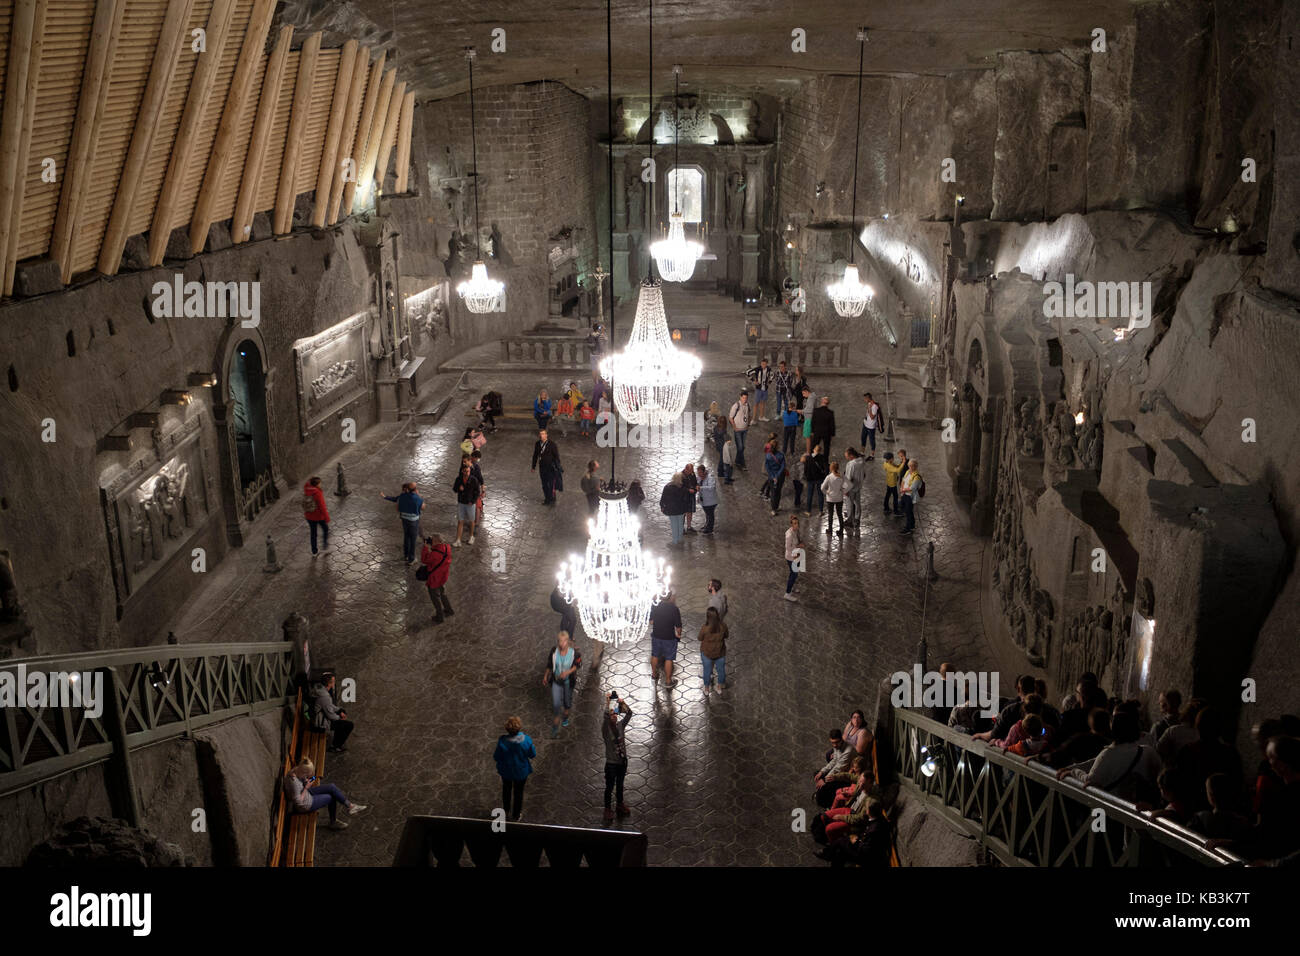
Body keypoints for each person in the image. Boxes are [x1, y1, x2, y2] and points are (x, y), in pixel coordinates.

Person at [1058, 710, 1162, 803]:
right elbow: (1160, 775)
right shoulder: (1148, 752)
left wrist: (1073, 771)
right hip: (1142, 810)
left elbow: (1090, 780)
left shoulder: (1108, 754)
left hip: (1115, 810)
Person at [284, 758, 365, 830]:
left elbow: (302, 780)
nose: (308, 776)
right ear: (304, 772)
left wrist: (307, 781)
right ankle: (333, 822)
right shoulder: (294, 783)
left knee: (331, 787)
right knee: (330, 798)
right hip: (306, 804)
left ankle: (350, 806)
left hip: (306, 793)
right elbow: (298, 802)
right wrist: (306, 788)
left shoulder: (297, 770)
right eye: (308, 774)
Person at [493, 716, 536, 822]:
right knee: (519, 792)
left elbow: (496, 757)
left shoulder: (502, 741)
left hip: (506, 771)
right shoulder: (526, 740)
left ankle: (506, 811)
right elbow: (532, 754)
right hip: (521, 772)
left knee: (506, 790)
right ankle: (516, 815)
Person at [542, 630, 582, 738]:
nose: (562, 644)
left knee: (567, 704)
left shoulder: (574, 653)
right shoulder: (554, 651)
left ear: (568, 641)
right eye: (560, 641)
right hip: (556, 682)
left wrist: (567, 672)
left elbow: (577, 665)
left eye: (564, 641)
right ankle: (555, 727)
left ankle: (565, 718)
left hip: (568, 683)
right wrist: (546, 676)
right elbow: (549, 665)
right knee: (556, 705)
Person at [602, 694, 633, 820]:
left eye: (615, 714)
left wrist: (622, 703)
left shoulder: (620, 726)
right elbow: (605, 716)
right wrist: (608, 702)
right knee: (609, 787)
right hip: (611, 764)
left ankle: (619, 805)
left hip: (622, 761)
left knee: (620, 785)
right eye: (612, 715)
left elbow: (629, 714)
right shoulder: (605, 729)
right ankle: (607, 809)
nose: (614, 716)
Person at [310, 673, 354, 754]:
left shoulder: (320, 690)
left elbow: (329, 706)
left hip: (320, 718)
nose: (334, 683)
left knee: (341, 721)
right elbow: (330, 715)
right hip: (320, 723)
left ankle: (336, 744)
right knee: (348, 725)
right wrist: (340, 717)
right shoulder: (324, 696)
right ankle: (335, 746)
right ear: (329, 684)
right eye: (333, 681)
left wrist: (339, 710)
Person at [380, 481, 424, 563]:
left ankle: (406, 555)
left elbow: (395, 499)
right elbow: (423, 507)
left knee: (406, 537)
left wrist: (384, 496)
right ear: (414, 490)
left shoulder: (402, 496)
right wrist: (419, 495)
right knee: (413, 539)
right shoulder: (417, 499)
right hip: (414, 521)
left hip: (404, 520)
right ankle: (411, 559)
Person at [649, 590, 683, 687]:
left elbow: (651, 622)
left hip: (656, 635)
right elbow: (678, 627)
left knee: (655, 655)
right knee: (669, 658)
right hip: (669, 638)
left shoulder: (655, 606)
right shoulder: (674, 609)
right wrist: (679, 635)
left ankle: (654, 674)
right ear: (670, 597)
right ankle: (668, 681)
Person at [814, 730, 856, 807]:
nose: (834, 745)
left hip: (846, 777)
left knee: (820, 798)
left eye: (836, 742)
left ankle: (828, 803)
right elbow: (834, 761)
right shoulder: (837, 746)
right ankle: (823, 791)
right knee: (817, 774)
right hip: (838, 773)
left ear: (841, 740)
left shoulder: (848, 751)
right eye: (832, 742)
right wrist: (822, 772)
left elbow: (838, 768)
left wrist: (824, 780)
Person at [420, 534, 453, 623]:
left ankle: (440, 617)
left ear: (437, 542)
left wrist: (426, 548)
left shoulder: (434, 554)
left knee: (435, 598)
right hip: (443, 576)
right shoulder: (447, 547)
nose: (431, 541)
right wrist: (432, 547)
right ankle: (449, 610)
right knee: (442, 593)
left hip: (434, 579)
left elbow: (424, 560)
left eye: (432, 540)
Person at [697, 605, 729, 695]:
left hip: (707, 653)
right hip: (720, 653)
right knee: (721, 670)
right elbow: (726, 635)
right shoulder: (723, 626)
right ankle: (719, 688)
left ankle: (706, 689)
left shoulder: (705, 628)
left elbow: (699, 638)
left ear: (708, 617)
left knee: (707, 671)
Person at [531, 428, 563, 505]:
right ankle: (547, 499)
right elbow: (535, 455)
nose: (542, 435)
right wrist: (533, 466)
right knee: (544, 484)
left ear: (546, 435)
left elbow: (556, 457)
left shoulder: (552, 444)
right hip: (542, 468)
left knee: (551, 484)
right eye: (541, 434)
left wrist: (557, 466)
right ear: (539, 435)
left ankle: (553, 498)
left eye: (544, 434)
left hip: (551, 468)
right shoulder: (537, 444)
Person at [302, 476, 330, 555]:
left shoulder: (306, 490)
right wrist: (327, 517)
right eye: (320, 483)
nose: (321, 485)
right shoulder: (317, 493)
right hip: (318, 516)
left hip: (309, 516)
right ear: (316, 484)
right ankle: (325, 547)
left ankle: (314, 551)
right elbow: (322, 506)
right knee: (325, 529)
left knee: (313, 534)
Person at [660, 473, 689, 546]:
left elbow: (663, 498)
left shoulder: (667, 487)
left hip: (671, 509)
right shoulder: (683, 488)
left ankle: (675, 541)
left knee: (674, 525)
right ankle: (680, 539)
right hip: (681, 509)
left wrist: (662, 506)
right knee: (680, 524)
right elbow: (686, 499)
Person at [729, 389, 753, 469]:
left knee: (742, 447)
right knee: (740, 447)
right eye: (743, 398)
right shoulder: (736, 405)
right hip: (738, 430)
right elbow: (730, 417)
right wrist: (735, 427)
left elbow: (750, 415)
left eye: (746, 398)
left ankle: (737, 461)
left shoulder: (748, 405)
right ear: (740, 397)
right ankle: (742, 464)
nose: (744, 400)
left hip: (745, 430)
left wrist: (748, 424)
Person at [822, 459, 846, 536]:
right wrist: (842, 491)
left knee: (830, 514)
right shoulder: (842, 476)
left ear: (831, 468)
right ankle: (841, 530)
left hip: (830, 499)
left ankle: (830, 529)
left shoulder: (829, 477)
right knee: (839, 514)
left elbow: (822, 488)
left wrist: (827, 492)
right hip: (839, 498)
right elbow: (847, 487)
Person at [899, 457, 923, 535]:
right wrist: (901, 487)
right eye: (909, 466)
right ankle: (912, 525)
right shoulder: (907, 472)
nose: (911, 467)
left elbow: (912, 488)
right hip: (905, 494)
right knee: (906, 510)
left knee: (909, 512)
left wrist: (903, 490)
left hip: (910, 496)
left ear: (916, 466)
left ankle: (908, 528)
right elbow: (903, 480)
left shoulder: (917, 477)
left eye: (912, 466)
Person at [842, 448, 864, 532]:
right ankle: (857, 519)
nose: (846, 458)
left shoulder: (851, 464)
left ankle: (850, 521)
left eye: (847, 456)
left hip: (850, 487)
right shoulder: (861, 461)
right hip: (858, 486)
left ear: (851, 456)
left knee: (849, 504)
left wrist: (845, 490)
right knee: (857, 503)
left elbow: (848, 478)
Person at [784, 515, 803, 602]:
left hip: (797, 556)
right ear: (791, 525)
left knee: (794, 573)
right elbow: (788, 547)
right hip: (791, 558)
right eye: (795, 524)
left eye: (797, 523)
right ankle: (787, 593)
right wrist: (798, 546)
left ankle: (792, 587)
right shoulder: (789, 534)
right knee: (793, 574)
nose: (797, 525)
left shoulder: (796, 531)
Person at [765, 443, 787, 516]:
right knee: (778, 491)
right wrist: (777, 476)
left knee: (773, 492)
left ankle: (773, 509)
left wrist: (773, 476)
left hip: (772, 477)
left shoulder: (768, 456)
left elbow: (767, 467)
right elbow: (783, 466)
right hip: (780, 477)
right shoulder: (781, 455)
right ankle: (776, 507)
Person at [804, 446, 826, 516]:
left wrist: (807, 478)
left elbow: (806, 469)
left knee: (810, 494)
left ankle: (808, 511)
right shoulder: (822, 457)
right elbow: (825, 468)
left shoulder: (808, 458)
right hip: (820, 478)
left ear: (813, 450)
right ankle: (821, 511)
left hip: (811, 479)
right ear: (820, 450)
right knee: (820, 494)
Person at [698, 465, 718, 534]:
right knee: (707, 514)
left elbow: (711, 487)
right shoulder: (699, 478)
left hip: (711, 501)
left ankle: (710, 529)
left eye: (700, 472)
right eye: (698, 472)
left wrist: (701, 488)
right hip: (704, 501)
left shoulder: (710, 478)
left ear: (704, 471)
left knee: (710, 514)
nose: (699, 474)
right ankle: (707, 525)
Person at [861, 392, 881, 459]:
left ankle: (872, 455)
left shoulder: (875, 406)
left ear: (868, 398)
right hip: (865, 424)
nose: (864, 400)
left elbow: (872, 417)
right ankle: (862, 452)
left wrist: (869, 408)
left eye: (865, 398)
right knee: (863, 438)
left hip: (871, 426)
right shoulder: (869, 403)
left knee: (871, 440)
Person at [882, 452, 902, 516]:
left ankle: (886, 508)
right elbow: (898, 470)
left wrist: (900, 464)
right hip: (892, 484)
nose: (893, 459)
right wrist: (903, 463)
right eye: (892, 458)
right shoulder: (889, 466)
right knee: (895, 497)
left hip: (889, 482)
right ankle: (896, 511)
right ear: (890, 459)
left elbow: (896, 466)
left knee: (888, 495)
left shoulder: (886, 463)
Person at [682, 463, 699, 534]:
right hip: (684, 497)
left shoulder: (692, 474)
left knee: (690, 512)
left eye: (692, 470)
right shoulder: (681, 476)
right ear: (686, 469)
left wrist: (697, 486)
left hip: (691, 496)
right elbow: (680, 487)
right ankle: (681, 528)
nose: (692, 472)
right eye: (690, 470)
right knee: (683, 513)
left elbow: (695, 482)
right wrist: (688, 490)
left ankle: (689, 527)